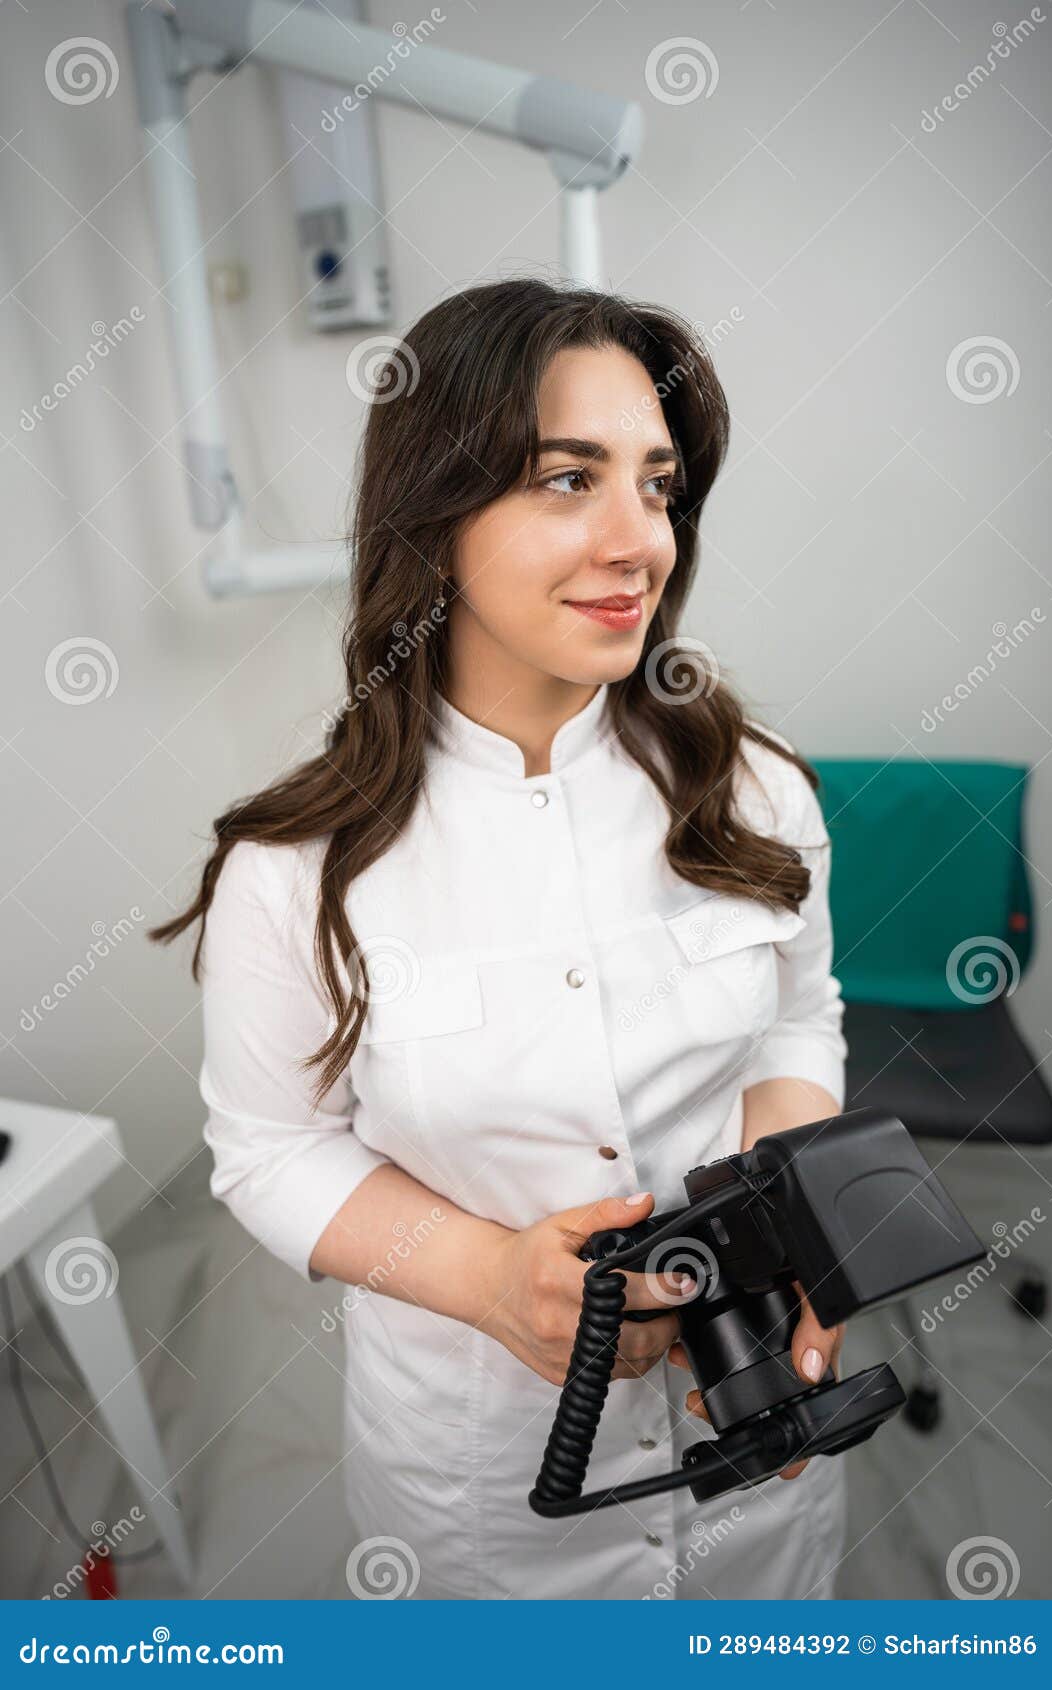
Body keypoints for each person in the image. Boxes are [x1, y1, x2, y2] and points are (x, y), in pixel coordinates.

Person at [150, 278, 849, 1601]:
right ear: (434, 512)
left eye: (655, 484)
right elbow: (271, 1146)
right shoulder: (295, 869)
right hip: (484, 1505)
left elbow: (793, 1018)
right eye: (565, 478)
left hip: (759, 1484)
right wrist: (484, 1278)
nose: (635, 537)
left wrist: (779, 1221)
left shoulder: (755, 791)